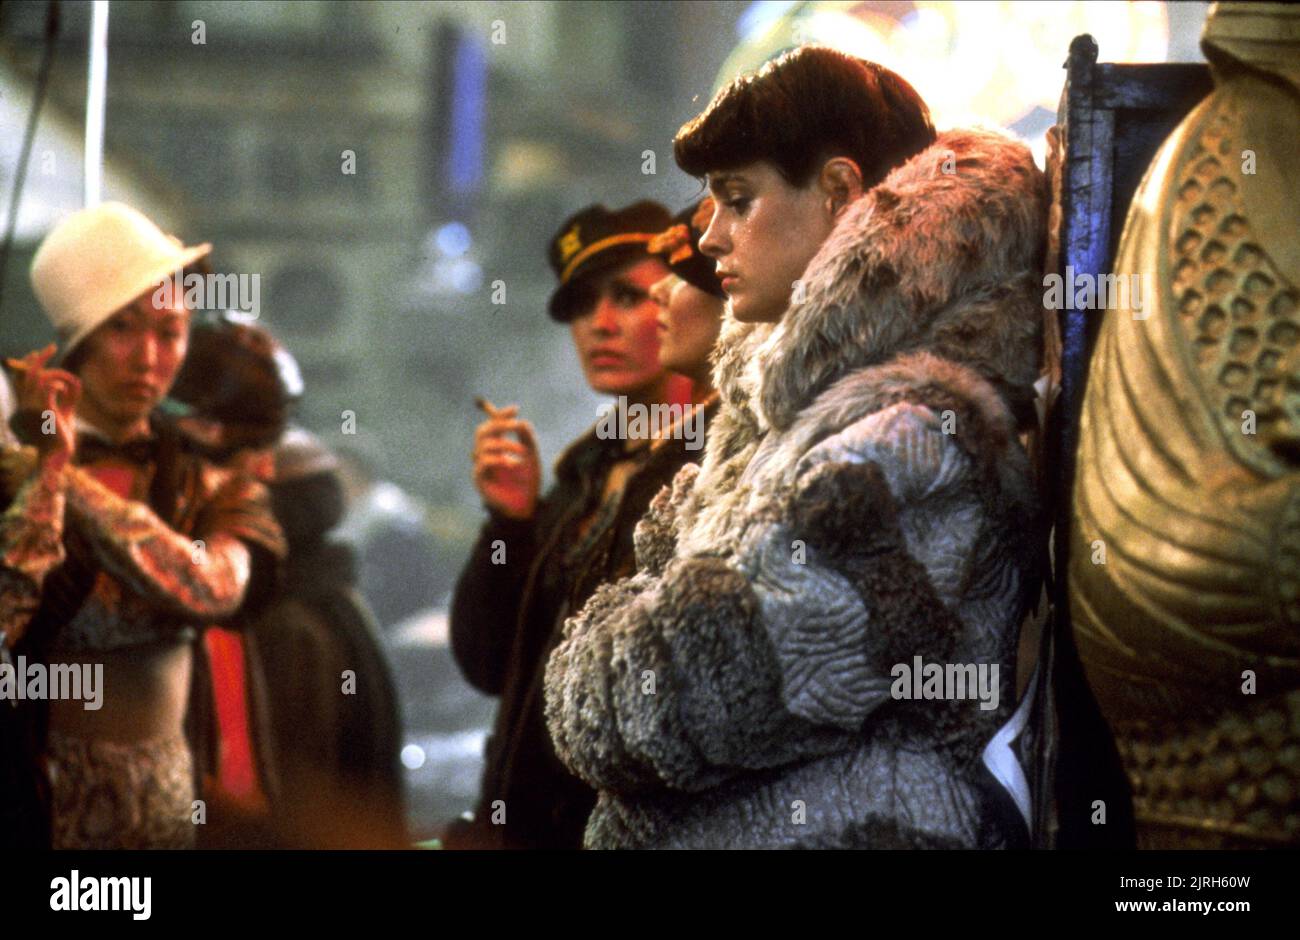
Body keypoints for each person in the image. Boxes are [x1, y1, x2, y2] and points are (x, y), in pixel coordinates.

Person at [544, 46, 1050, 849]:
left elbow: (695, 688)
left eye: (737, 201)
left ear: (841, 191)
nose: (707, 239)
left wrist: (591, 654)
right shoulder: (788, 408)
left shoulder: (919, 427)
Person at [0, 202, 285, 849]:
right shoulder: (14, 480)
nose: (148, 358)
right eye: (123, 328)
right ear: (77, 343)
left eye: (171, 330)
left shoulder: (212, 483)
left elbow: (213, 588)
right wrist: (41, 478)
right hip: (36, 796)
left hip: (169, 797)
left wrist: (63, 477)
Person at [446, 200, 697, 849]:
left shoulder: (716, 465)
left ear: (680, 297)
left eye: (627, 296)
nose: (600, 324)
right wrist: (511, 522)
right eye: (582, 306)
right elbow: (488, 663)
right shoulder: (581, 477)